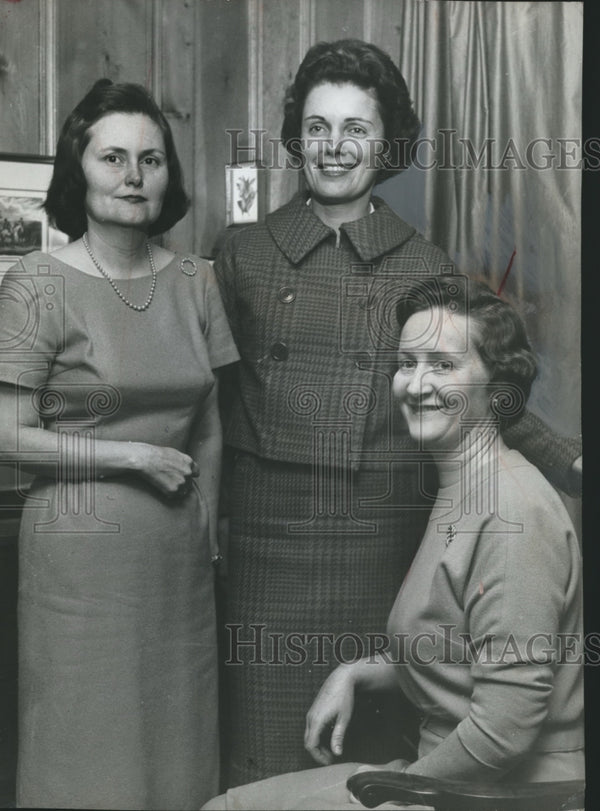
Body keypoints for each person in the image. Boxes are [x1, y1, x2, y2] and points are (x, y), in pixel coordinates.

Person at [214, 38, 582, 787]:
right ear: (297, 138)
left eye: (356, 128)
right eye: (318, 127)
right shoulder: (243, 251)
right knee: (266, 768)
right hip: (267, 551)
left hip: (380, 543)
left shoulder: (424, 263)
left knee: (374, 771)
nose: (334, 146)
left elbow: (479, 390)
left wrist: (572, 460)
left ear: (387, 145)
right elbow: (206, 396)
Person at [203, 276, 584, 810]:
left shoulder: (512, 513)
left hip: (498, 791)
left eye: (443, 365)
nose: (416, 384)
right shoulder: (466, 485)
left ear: (499, 387)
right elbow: (460, 654)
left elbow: (505, 729)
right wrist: (358, 670)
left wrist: (395, 791)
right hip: (448, 774)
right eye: (407, 363)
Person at [0, 79, 239, 810]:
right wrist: (131, 458)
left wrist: (208, 529)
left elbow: (209, 421)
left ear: (169, 175)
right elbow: (7, 435)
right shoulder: (36, 282)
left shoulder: (196, 279)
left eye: (151, 159)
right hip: (78, 561)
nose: (134, 176)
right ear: (79, 171)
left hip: (177, 562)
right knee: (85, 750)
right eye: (113, 158)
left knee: (177, 750)